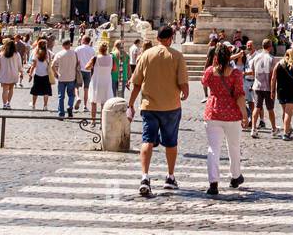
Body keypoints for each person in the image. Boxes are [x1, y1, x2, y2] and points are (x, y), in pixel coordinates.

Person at [127, 25, 190, 198]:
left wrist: (130, 104)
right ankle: (170, 177)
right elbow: (183, 84)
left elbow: (137, 83)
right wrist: (185, 91)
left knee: (147, 140)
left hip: (149, 106)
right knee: (170, 143)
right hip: (171, 106)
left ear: (158, 39)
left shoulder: (146, 55)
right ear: (170, 38)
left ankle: (145, 177)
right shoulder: (177, 56)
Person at [201, 42, 247, 194]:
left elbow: (204, 82)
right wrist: (245, 115)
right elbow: (240, 95)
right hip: (232, 114)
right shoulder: (235, 74)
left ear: (215, 57)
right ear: (229, 57)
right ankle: (235, 177)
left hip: (213, 112)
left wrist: (213, 63)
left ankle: (213, 183)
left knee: (213, 149)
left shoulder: (209, 71)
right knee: (233, 146)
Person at [271, 47, 293, 139]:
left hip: (281, 91)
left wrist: (272, 91)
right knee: (288, 113)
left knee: (285, 111)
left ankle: (287, 128)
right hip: (292, 91)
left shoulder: (278, 64)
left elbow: (273, 79)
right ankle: (286, 133)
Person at [248, 39, 278, 139]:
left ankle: (253, 128)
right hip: (268, 87)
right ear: (270, 46)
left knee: (257, 107)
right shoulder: (272, 58)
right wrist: (273, 89)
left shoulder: (256, 57)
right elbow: (273, 76)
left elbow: (252, 72)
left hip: (257, 85)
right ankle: (274, 129)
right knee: (270, 109)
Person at [85, 39, 114, 122]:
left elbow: (87, 67)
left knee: (94, 102)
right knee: (104, 103)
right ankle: (102, 121)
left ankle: (93, 120)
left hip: (96, 81)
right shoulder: (111, 58)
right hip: (106, 81)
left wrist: (93, 67)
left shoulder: (95, 58)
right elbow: (114, 69)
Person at [52, 39, 80, 118]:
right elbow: (78, 64)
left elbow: (52, 65)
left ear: (63, 45)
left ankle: (61, 113)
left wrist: (56, 73)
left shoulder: (59, 54)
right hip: (71, 77)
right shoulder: (74, 53)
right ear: (70, 45)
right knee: (71, 95)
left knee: (61, 96)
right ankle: (70, 107)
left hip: (61, 77)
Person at [27, 41, 53, 111]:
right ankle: (45, 106)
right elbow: (51, 62)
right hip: (46, 75)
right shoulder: (49, 53)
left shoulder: (36, 53)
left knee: (35, 90)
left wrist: (30, 74)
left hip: (38, 74)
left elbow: (33, 66)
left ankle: (33, 105)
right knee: (46, 91)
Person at [0, 38, 20, 109]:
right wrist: (21, 72)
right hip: (13, 73)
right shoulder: (17, 54)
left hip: (4, 73)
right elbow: (19, 65)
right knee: (11, 89)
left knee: (5, 90)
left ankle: (4, 104)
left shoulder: (1, 54)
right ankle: (8, 103)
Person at [75, 34, 96, 113]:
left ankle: (77, 97)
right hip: (88, 71)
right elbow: (93, 61)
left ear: (83, 40)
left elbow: (75, 59)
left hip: (79, 70)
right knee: (86, 88)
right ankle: (85, 106)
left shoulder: (78, 49)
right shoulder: (92, 50)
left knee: (76, 86)